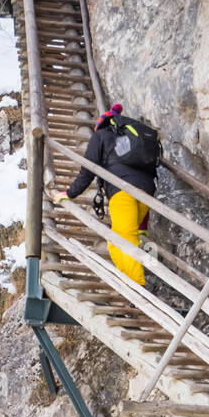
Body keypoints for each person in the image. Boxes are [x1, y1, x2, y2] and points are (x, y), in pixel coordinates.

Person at [51, 102, 158, 287]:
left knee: (124, 239)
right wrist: (143, 224)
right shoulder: (132, 141)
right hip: (146, 191)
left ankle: (139, 287)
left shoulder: (100, 136)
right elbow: (141, 174)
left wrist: (70, 193)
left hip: (121, 190)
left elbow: (88, 169)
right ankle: (131, 286)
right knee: (114, 243)